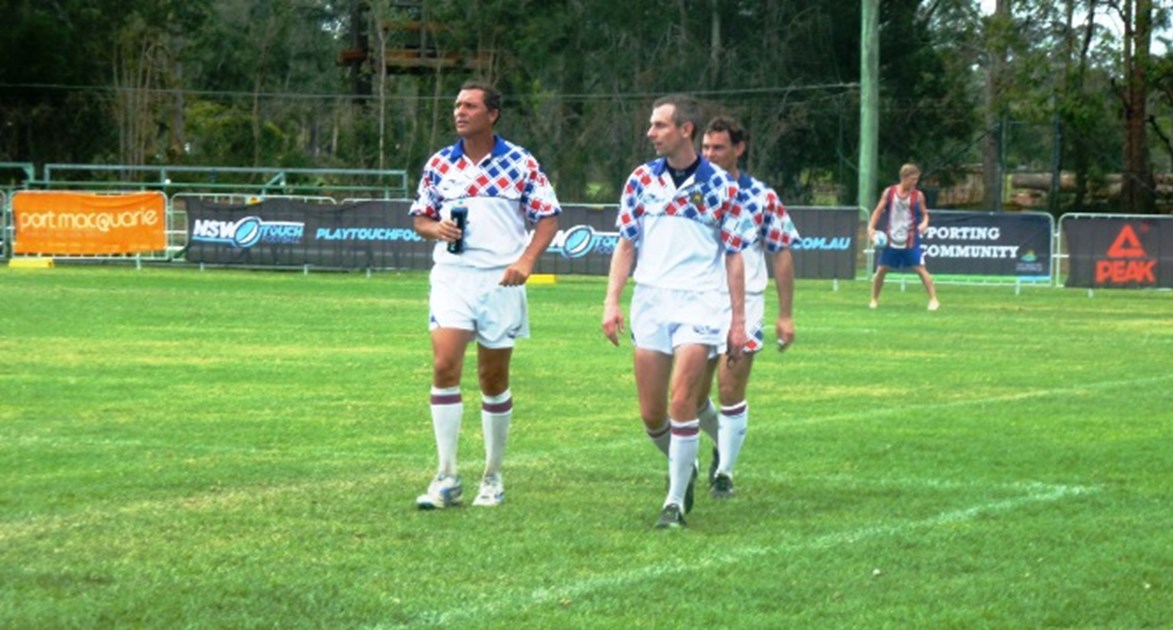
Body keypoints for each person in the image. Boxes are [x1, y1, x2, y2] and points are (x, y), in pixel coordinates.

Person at [602, 94, 756, 529]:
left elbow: (734, 256)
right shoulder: (640, 181)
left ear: (685, 129)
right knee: (652, 416)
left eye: (659, 126)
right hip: (650, 300)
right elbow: (627, 243)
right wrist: (612, 301)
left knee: (682, 401)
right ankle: (683, 465)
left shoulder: (722, 187)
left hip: (700, 301)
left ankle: (673, 503)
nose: (650, 133)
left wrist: (738, 322)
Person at [409, 80, 561, 509]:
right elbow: (419, 217)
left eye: (470, 106)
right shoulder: (440, 163)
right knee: (444, 365)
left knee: (492, 379)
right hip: (452, 276)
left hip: (501, 281)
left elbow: (547, 217)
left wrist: (527, 261)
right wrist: (434, 227)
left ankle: (492, 476)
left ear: (492, 114)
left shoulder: (519, 162)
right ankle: (446, 475)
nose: (460, 112)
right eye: (457, 105)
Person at [697, 115, 800, 499]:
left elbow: (782, 252)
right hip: (698, 299)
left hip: (747, 302)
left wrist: (785, 314)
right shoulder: (691, 190)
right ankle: (722, 442)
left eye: (718, 148)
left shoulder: (761, 196)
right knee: (691, 397)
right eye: (705, 148)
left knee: (729, 388)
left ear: (739, 149)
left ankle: (724, 472)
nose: (710, 155)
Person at [866, 163, 940, 311]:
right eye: (912, 179)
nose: (915, 182)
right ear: (904, 178)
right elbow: (879, 210)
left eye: (916, 179)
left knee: (920, 269)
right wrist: (870, 228)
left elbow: (925, 214)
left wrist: (925, 223)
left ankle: (934, 300)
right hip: (891, 238)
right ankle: (874, 300)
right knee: (881, 270)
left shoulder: (918, 196)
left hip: (911, 239)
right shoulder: (889, 193)